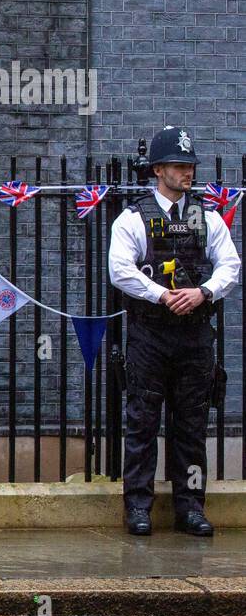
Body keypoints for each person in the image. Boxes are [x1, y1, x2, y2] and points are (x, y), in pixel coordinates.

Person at [108, 126, 240, 536]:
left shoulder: (208, 217)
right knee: (142, 422)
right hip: (150, 334)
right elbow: (119, 270)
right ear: (158, 170)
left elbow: (231, 265)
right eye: (180, 165)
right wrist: (162, 295)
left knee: (191, 425)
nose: (188, 172)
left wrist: (203, 292)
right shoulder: (133, 218)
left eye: (190, 165)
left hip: (194, 335)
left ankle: (191, 509)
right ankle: (138, 508)